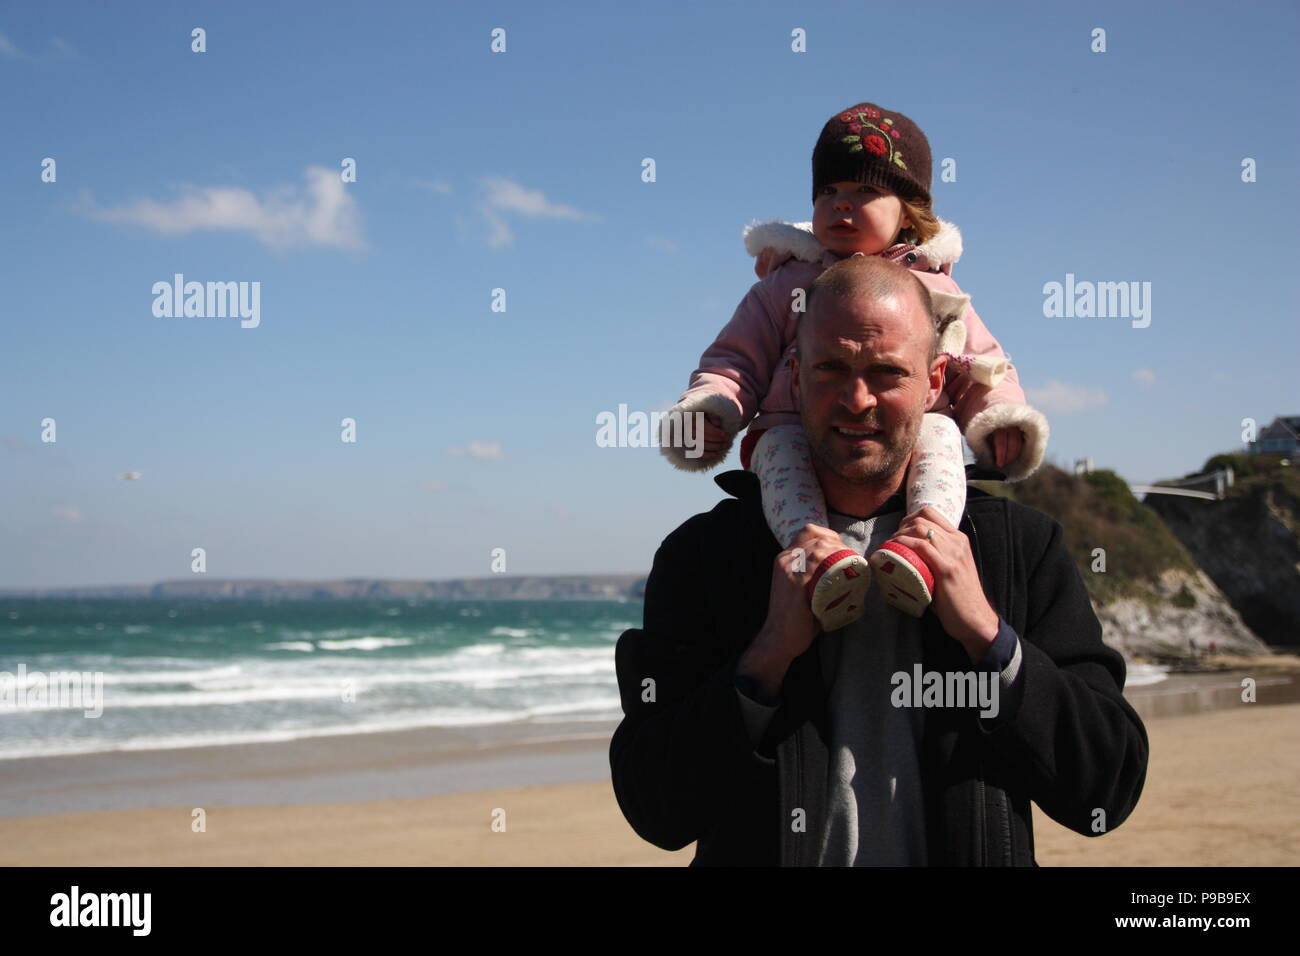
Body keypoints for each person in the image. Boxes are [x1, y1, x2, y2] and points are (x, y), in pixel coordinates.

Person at [612, 255, 1148, 866]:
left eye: (887, 372)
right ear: (794, 371)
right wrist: (765, 660)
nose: (856, 398)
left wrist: (988, 637)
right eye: (830, 368)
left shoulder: (1019, 549)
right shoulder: (705, 556)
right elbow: (654, 808)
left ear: (936, 378)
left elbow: (1107, 789)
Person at [659, 101, 1049, 630]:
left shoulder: (936, 290)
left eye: (865, 191)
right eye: (828, 192)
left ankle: (925, 545)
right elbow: (734, 360)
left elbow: (981, 366)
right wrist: (709, 413)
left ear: (909, 210)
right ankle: (815, 556)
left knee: (937, 432)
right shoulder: (784, 285)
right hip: (791, 428)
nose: (841, 206)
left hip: (908, 437)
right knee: (778, 448)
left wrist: (1001, 419)